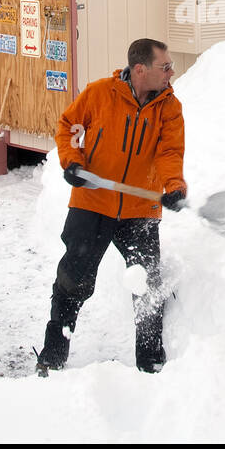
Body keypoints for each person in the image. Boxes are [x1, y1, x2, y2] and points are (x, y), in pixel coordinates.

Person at [35, 38, 186, 375]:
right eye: (165, 66)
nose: (171, 72)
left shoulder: (169, 107)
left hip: (140, 209)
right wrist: (72, 162)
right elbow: (69, 127)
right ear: (140, 69)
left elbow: (169, 153)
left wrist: (173, 186)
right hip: (93, 203)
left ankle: (151, 363)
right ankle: (53, 354)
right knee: (74, 280)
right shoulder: (99, 94)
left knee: (147, 285)